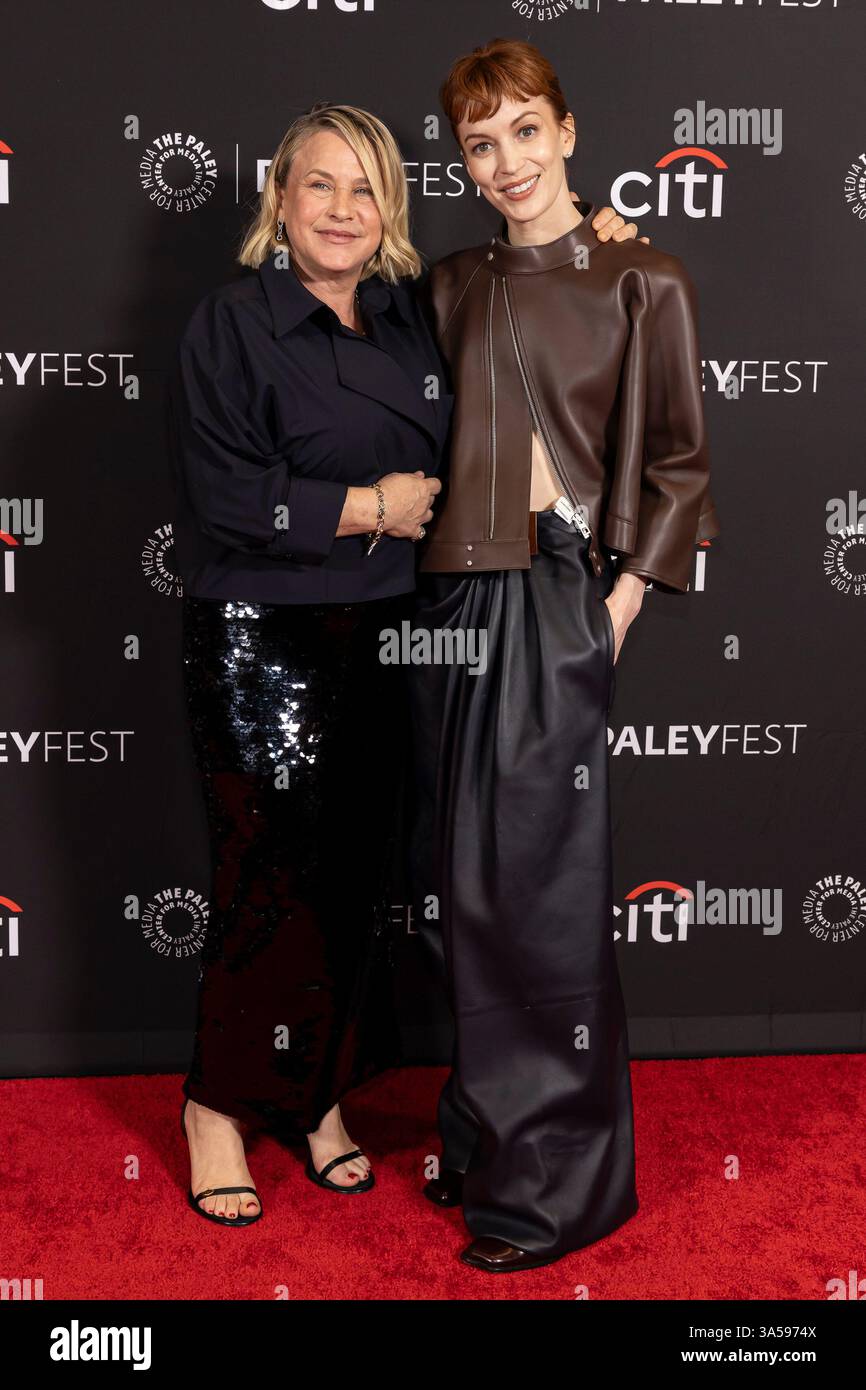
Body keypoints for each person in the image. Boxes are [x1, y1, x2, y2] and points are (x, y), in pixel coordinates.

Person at [409, 39, 720, 1272]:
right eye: (480, 145)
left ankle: (555, 1188)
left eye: (524, 132)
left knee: (538, 899)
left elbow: (679, 463)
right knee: (463, 895)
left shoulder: (643, 276)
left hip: (554, 596)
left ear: (567, 132)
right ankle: (481, 1138)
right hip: (445, 600)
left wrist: (622, 603)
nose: (505, 162)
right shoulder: (446, 283)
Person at [168, 102, 448, 1224]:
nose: (342, 210)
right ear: (278, 200)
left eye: (364, 189)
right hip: (261, 638)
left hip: (384, 632)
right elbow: (230, 499)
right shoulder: (230, 322)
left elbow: (527, 293)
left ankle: (320, 1097)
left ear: (389, 210)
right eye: (319, 186)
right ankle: (217, 1108)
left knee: (351, 886)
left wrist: (603, 235)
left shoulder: (406, 319)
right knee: (261, 883)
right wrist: (370, 505)